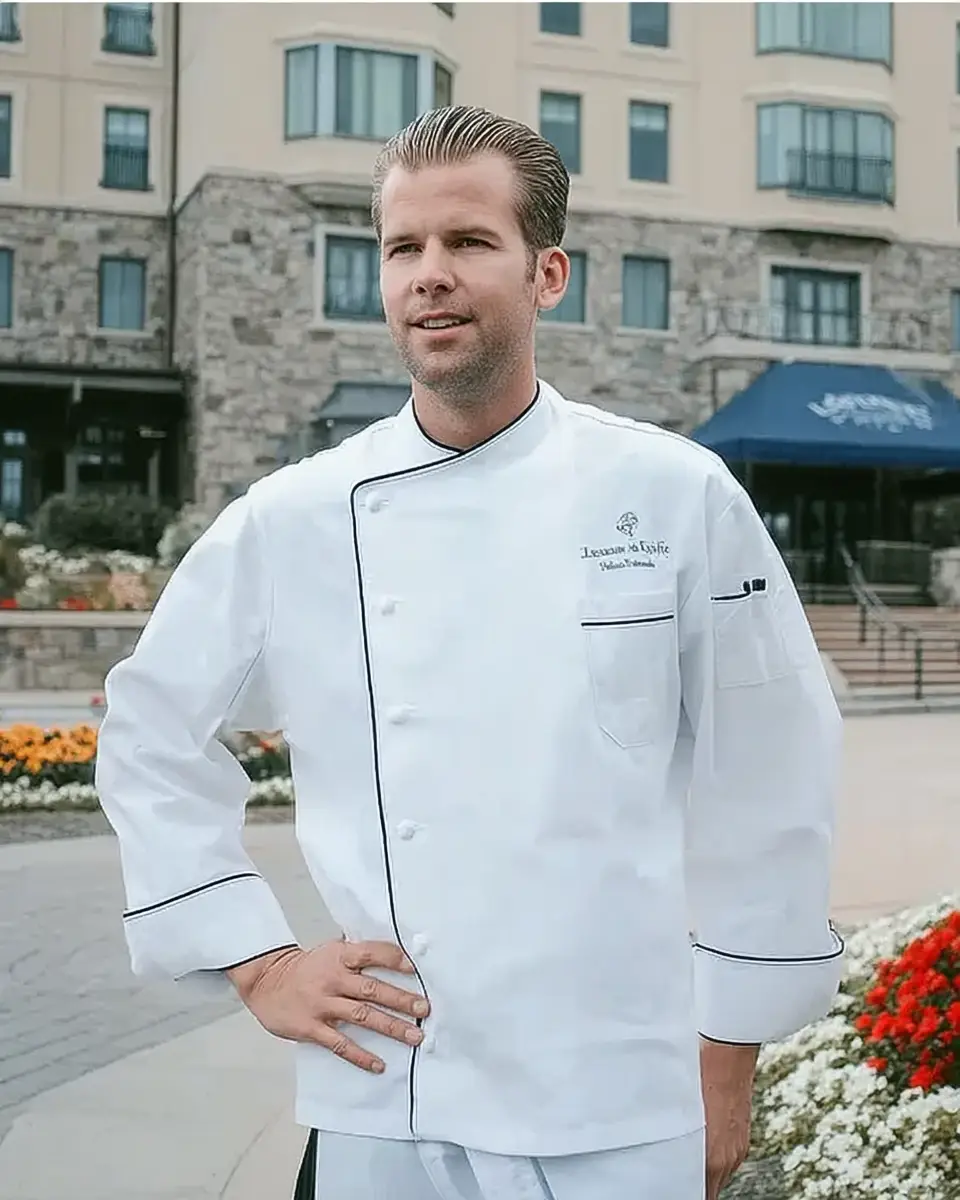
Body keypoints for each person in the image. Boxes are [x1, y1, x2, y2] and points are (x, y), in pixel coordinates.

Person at [95, 105, 845, 1200]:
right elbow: (151, 728)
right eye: (404, 249)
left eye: (467, 243)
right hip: (386, 1089)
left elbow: (771, 778)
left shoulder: (673, 494)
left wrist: (726, 1061)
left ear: (548, 275)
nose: (429, 275)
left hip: (616, 1095)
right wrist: (256, 959)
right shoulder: (298, 513)